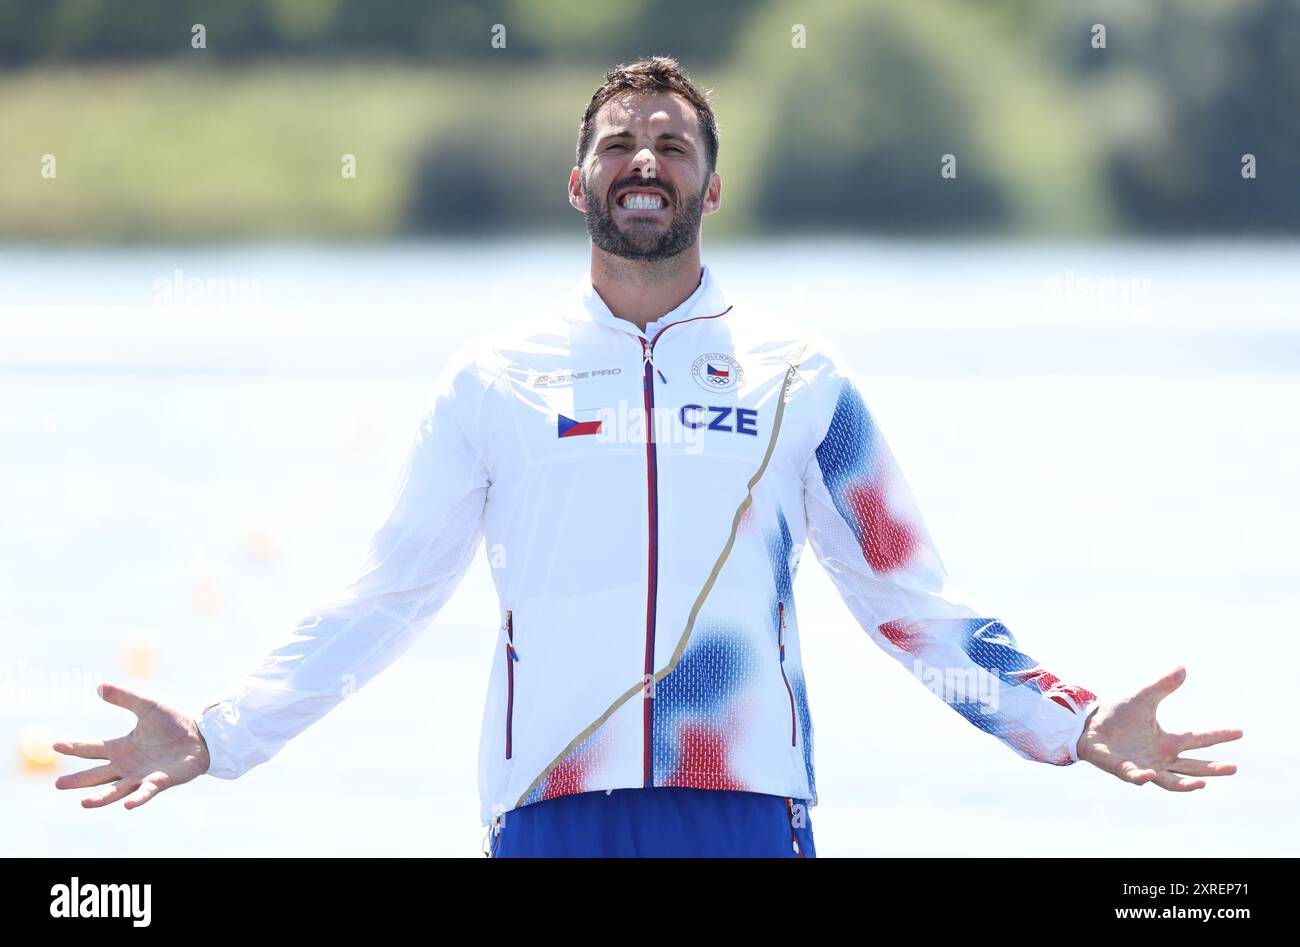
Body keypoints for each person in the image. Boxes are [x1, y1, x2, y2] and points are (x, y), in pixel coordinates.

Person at [53, 57, 1243, 857]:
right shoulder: (491, 379)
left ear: (710, 185)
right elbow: (385, 597)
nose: (644, 161)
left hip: (742, 806)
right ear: (578, 181)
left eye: (672, 145)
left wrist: (1070, 721)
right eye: (619, 143)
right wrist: (221, 731)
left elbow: (907, 602)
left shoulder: (800, 379)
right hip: (550, 809)